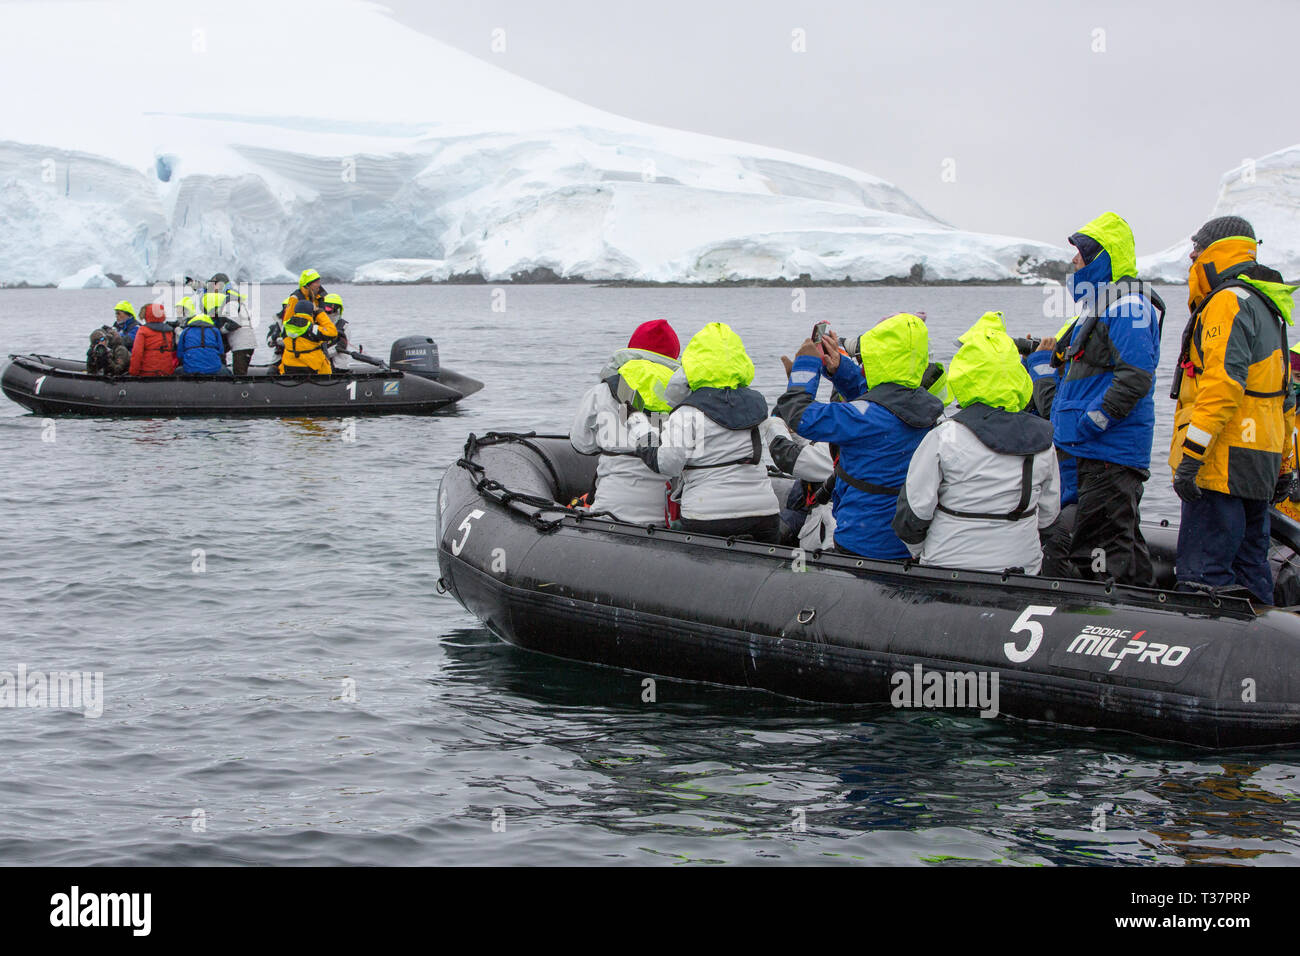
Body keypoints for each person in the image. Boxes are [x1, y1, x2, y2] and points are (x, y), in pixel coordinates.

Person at [1170, 216, 1297, 604]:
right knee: (1251, 567)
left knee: (1204, 575)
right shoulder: (1268, 306)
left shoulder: (1226, 302)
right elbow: (1285, 399)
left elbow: (1222, 386)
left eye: (1197, 249)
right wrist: (1284, 466)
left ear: (1214, 252)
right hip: (1259, 461)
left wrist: (1192, 455)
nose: (1191, 256)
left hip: (1220, 463)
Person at [893, 313, 1060, 572]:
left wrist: (919, 551)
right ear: (1018, 376)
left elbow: (914, 512)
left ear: (964, 373)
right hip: (1021, 566)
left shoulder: (943, 435)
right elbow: (1048, 516)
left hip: (948, 562)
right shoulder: (1044, 438)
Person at [1050, 212, 1164, 586]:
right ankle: (1143, 609)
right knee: (1121, 541)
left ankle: (1101, 622)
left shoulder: (1127, 306)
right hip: (1095, 453)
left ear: (1100, 258)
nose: (1073, 263)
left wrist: (1093, 421)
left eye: (1080, 256)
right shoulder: (1104, 306)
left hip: (1107, 452)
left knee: (1099, 551)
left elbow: (1136, 376)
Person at [774, 311, 944, 559]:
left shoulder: (862, 418)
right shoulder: (926, 407)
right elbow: (882, 402)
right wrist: (840, 370)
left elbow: (799, 414)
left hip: (862, 546)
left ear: (875, 358)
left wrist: (806, 365)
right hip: (904, 548)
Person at [629, 322, 780, 542]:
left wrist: (642, 430)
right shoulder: (758, 403)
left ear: (690, 366)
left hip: (707, 515)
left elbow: (667, 465)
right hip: (764, 513)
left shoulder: (687, 412)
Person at [570, 320, 682, 525]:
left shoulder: (601, 392)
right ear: (674, 355)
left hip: (607, 511)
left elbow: (582, 444)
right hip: (664, 519)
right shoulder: (685, 397)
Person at [279, 268, 338, 375]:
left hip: (316, 334)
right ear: (308, 284)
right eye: (316, 282)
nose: (319, 285)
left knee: (323, 356)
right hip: (308, 335)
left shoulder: (319, 296)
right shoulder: (296, 298)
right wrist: (306, 331)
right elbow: (287, 321)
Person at [204, 272, 256, 374]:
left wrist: (220, 330)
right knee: (238, 372)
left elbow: (234, 323)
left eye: (213, 285)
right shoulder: (231, 297)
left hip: (242, 345)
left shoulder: (230, 300)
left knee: (239, 374)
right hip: (242, 344)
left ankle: (241, 388)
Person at [128, 304, 179, 376]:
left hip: (147, 372)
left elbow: (137, 353)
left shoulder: (143, 330)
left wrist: (133, 372)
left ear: (147, 314)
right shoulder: (169, 331)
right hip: (166, 372)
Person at [176, 310, 228, 375]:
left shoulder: (186, 331)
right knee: (226, 372)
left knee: (177, 371)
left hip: (190, 368)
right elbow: (221, 352)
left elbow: (179, 353)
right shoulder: (215, 331)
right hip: (214, 368)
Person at [321, 293, 352, 371]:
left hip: (338, 366)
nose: (329, 311)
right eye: (327, 307)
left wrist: (322, 354)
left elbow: (341, 346)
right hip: (322, 364)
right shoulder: (319, 324)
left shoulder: (344, 325)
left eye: (332, 307)